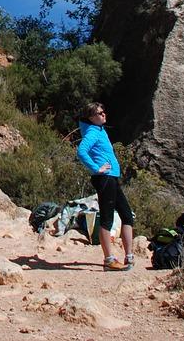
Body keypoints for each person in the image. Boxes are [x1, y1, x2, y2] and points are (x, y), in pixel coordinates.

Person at [76, 101, 136, 270]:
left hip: (111, 178)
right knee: (107, 219)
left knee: (127, 215)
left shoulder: (99, 130)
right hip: (105, 179)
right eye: (99, 113)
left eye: (103, 112)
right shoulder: (93, 133)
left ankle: (129, 256)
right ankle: (109, 260)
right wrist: (96, 168)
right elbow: (81, 151)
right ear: (90, 117)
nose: (103, 115)